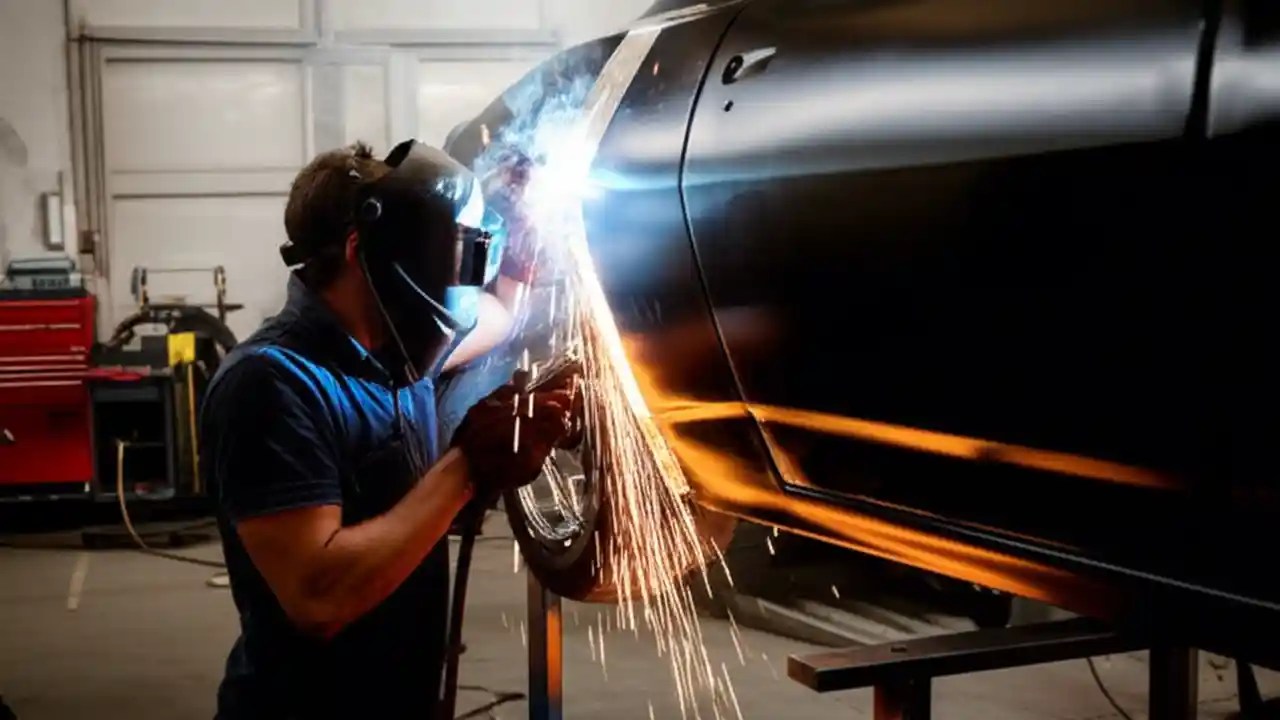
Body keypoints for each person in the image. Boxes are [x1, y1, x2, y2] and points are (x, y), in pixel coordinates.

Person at [200, 140, 575, 719]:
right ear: (361, 248)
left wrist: (523, 250)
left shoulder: (399, 344)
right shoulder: (271, 385)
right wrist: (468, 468)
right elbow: (318, 597)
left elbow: (498, 318)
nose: (457, 278)